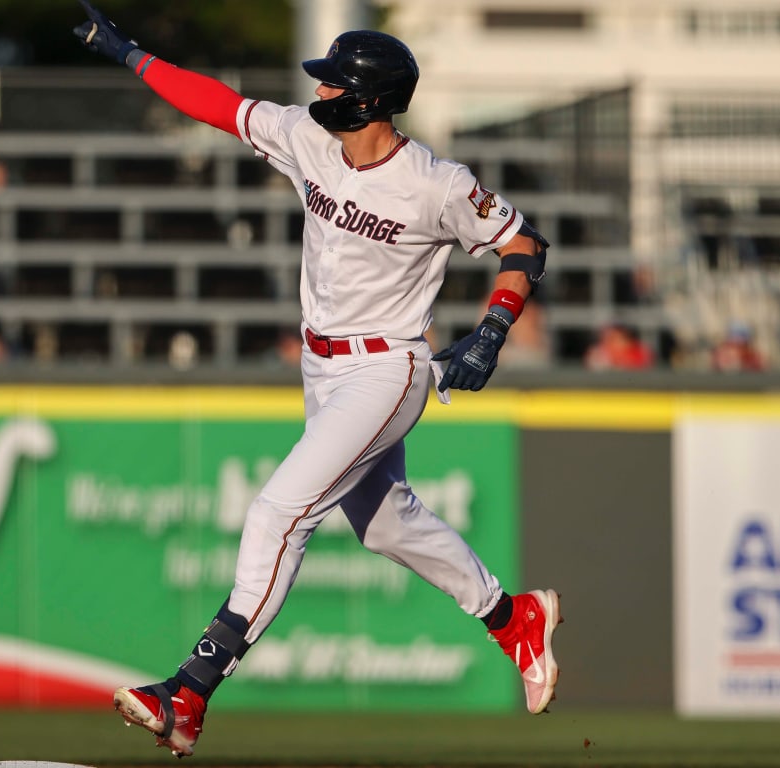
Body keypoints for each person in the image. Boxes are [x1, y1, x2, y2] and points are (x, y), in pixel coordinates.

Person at [72, 3, 561, 758]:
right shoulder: (307, 138)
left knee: (277, 513)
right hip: (320, 365)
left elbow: (524, 244)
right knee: (385, 523)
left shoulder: (435, 182)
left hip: (386, 367)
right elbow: (218, 105)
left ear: (368, 99)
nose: (320, 92)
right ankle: (512, 617)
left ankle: (189, 691)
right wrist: (131, 54)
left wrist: (492, 332)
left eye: (334, 84)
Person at [583, 324, 654, 371]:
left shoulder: (639, 351)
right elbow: (592, 368)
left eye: (616, 336)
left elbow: (645, 369)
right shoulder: (599, 351)